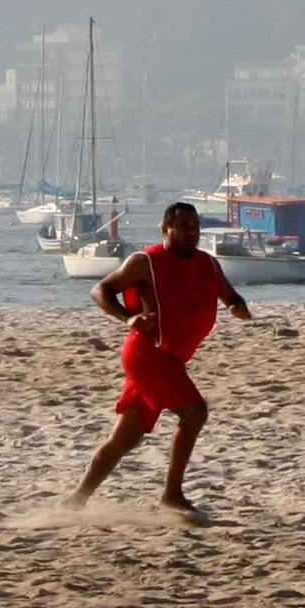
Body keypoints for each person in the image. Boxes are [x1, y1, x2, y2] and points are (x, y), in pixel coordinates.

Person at [70, 201, 250, 516]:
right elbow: (101, 290)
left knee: (124, 437)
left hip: (172, 359)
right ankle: (172, 494)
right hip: (148, 355)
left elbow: (229, 295)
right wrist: (127, 318)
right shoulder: (146, 261)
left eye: (195, 227)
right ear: (165, 228)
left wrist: (238, 306)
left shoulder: (208, 264)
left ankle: (74, 501)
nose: (191, 233)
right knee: (195, 414)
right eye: (183, 227)